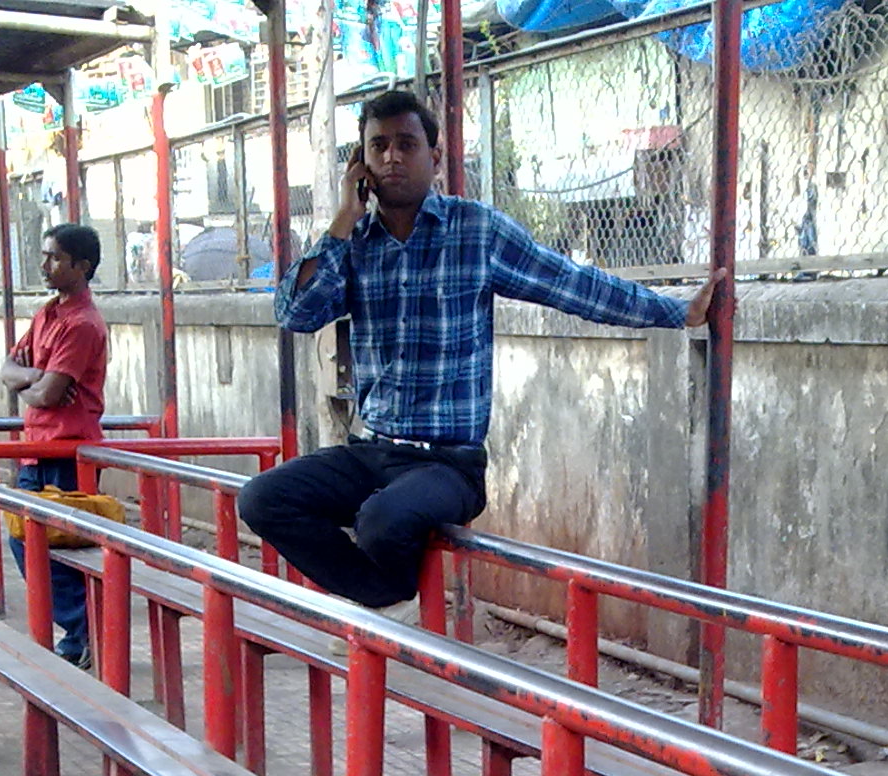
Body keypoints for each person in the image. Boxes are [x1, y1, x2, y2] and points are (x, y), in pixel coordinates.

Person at [243, 90, 720, 610]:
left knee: (382, 520)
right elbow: (296, 314)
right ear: (360, 162)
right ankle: (383, 599)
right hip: (368, 449)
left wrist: (677, 312)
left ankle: (383, 600)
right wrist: (340, 220)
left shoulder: (476, 231)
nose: (392, 157)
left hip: (447, 465)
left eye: (407, 144)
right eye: (377, 146)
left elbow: (572, 285)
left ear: (436, 157)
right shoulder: (352, 243)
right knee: (264, 498)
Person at [0, 222, 107, 667]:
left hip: (68, 451)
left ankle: (85, 630)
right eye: (45, 256)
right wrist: (34, 379)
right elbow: (10, 370)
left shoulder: (82, 324)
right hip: (36, 446)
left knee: (62, 547)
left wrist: (34, 384)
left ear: (81, 267)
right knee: (26, 540)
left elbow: (46, 395)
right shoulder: (47, 313)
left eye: (56, 258)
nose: (45, 265)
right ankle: (81, 630)